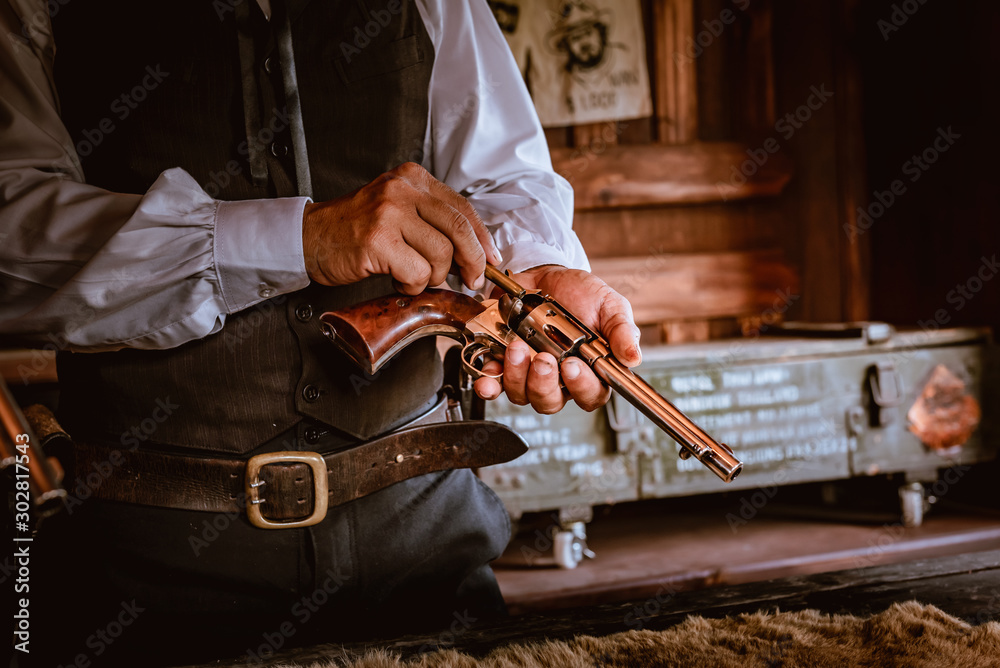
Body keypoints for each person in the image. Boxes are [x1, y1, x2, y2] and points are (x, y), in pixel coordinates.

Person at [0, 0, 640, 665]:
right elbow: (10, 237)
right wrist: (299, 239)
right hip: (144, 569)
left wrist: (539, 266)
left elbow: (504, 178)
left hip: (425, 539)